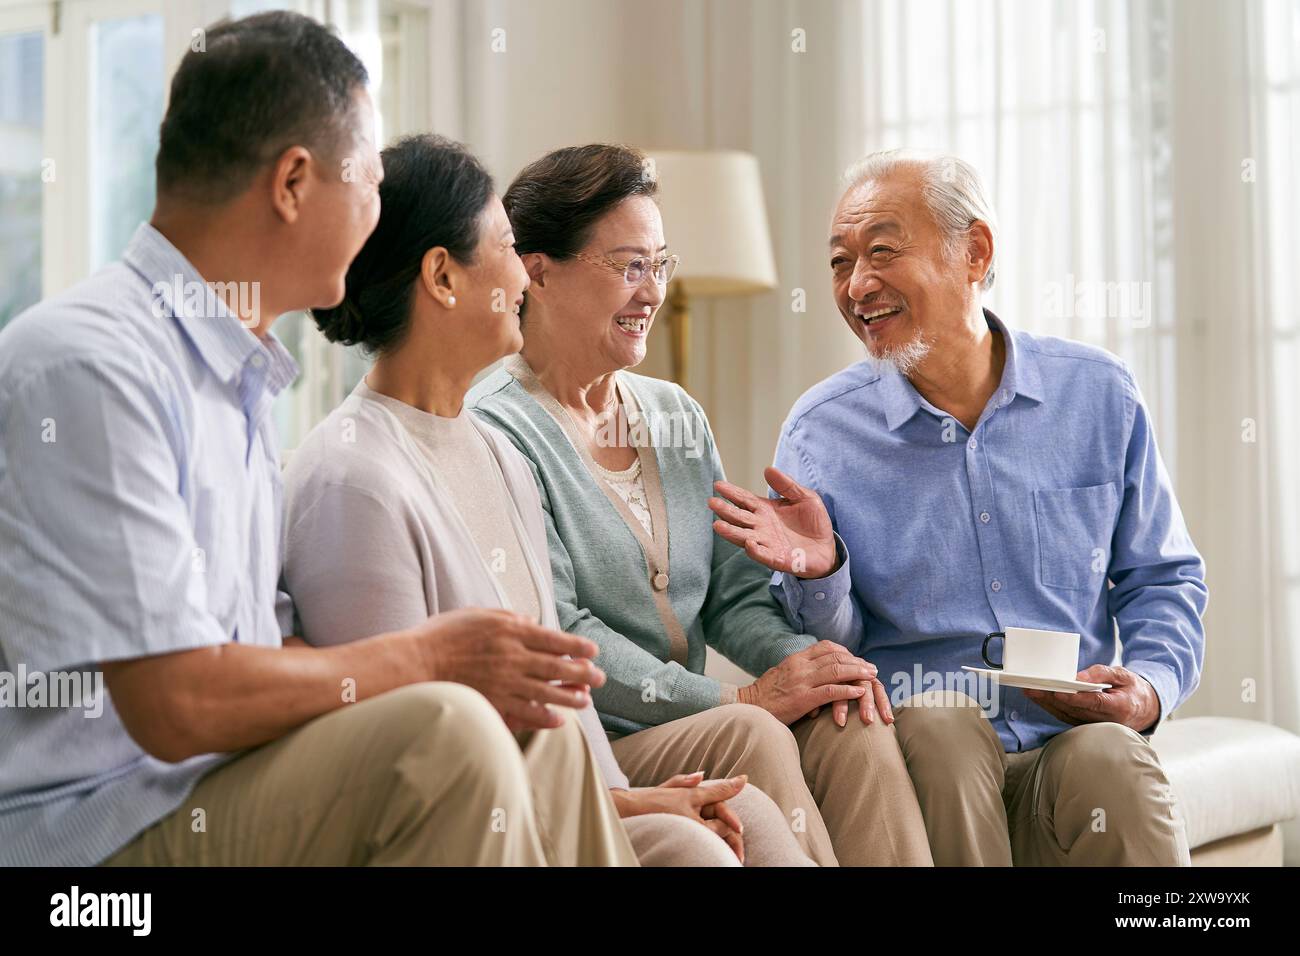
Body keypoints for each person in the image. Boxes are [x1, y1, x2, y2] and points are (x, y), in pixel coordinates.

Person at [0, 12, 631, 867]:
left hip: (214, 784)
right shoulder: (90, 366)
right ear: (295, 182)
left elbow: (265, 646)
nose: (377, 212)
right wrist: (429, 656)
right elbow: (175, 701)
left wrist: (469, 670)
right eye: (367, 179)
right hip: (99, 830)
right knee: (447, 735)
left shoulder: (240, 381)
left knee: (531, 728)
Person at [282, 133, 815, 866]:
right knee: (705, 849)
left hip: (564, 793)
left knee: (739, 810)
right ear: (442, 276)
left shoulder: (492, 450)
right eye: (506, 246)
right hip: (476, 827)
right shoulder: (353, 478)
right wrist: (619, 804)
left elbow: (557, 686)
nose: (525, 277)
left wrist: (635, 798)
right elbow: (413, 750)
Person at [710, 148, 1206, 866]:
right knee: (942, 724)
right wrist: (822, 572)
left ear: (974, 252)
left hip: (1064, 748)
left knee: (1112, 759)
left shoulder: (1098, 395)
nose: (857, 285)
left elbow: (1164, 578)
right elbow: (831, 647)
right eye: (840, 263)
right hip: (925, 759)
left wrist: (1149, 691)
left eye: (882, 251)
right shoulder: (821, 432)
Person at [469, 144, 934, 867]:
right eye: (629, 266)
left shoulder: (674, 414)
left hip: (696, 719)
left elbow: (734, 598)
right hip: (596, 738)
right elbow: (563, 628)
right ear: (539, 271)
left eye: (660, 265)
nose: (652, 291)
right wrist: (739, 704)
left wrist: (809, 668)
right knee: (753, 735)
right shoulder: (497, 427)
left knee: (851, 714)